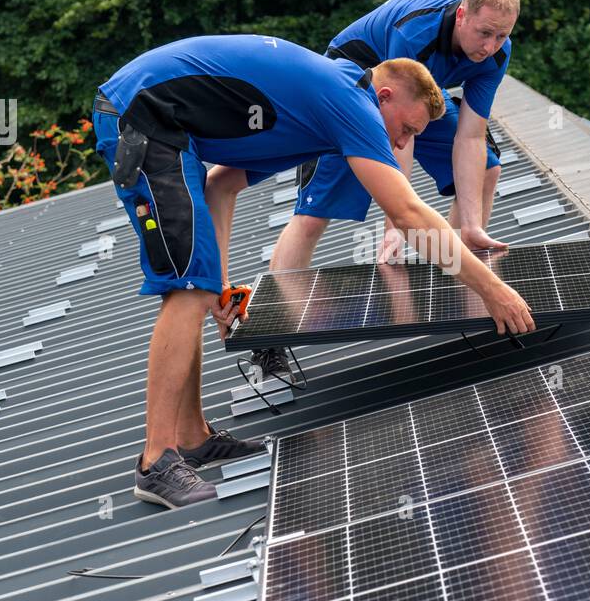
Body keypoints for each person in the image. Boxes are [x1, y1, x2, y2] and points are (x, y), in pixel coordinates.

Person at [94, 34, 534, 509]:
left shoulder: (318, 113)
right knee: (186, 289)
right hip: (141, 117)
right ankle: (155, 461)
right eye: (405, 128)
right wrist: (493, 289)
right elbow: (409, 216)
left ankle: (192, 437)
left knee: (199, 287)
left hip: (167, 127)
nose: (402, 143)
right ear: (384, 96)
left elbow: (222, 184)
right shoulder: (352, 103)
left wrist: (219, 286)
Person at [243, 0, 519, 381]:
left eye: (501, 36)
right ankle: (270, 339)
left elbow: (471, 135)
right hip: (354, 89)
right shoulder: (417, 29)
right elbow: (397, 132)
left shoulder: (497, 52)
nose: (490, 46)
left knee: (487, 167)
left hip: (422, 94)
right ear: (462, 15)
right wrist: (395, 225)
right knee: (314, 214)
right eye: (484, 33)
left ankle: (459, 277)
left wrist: (474, 225)